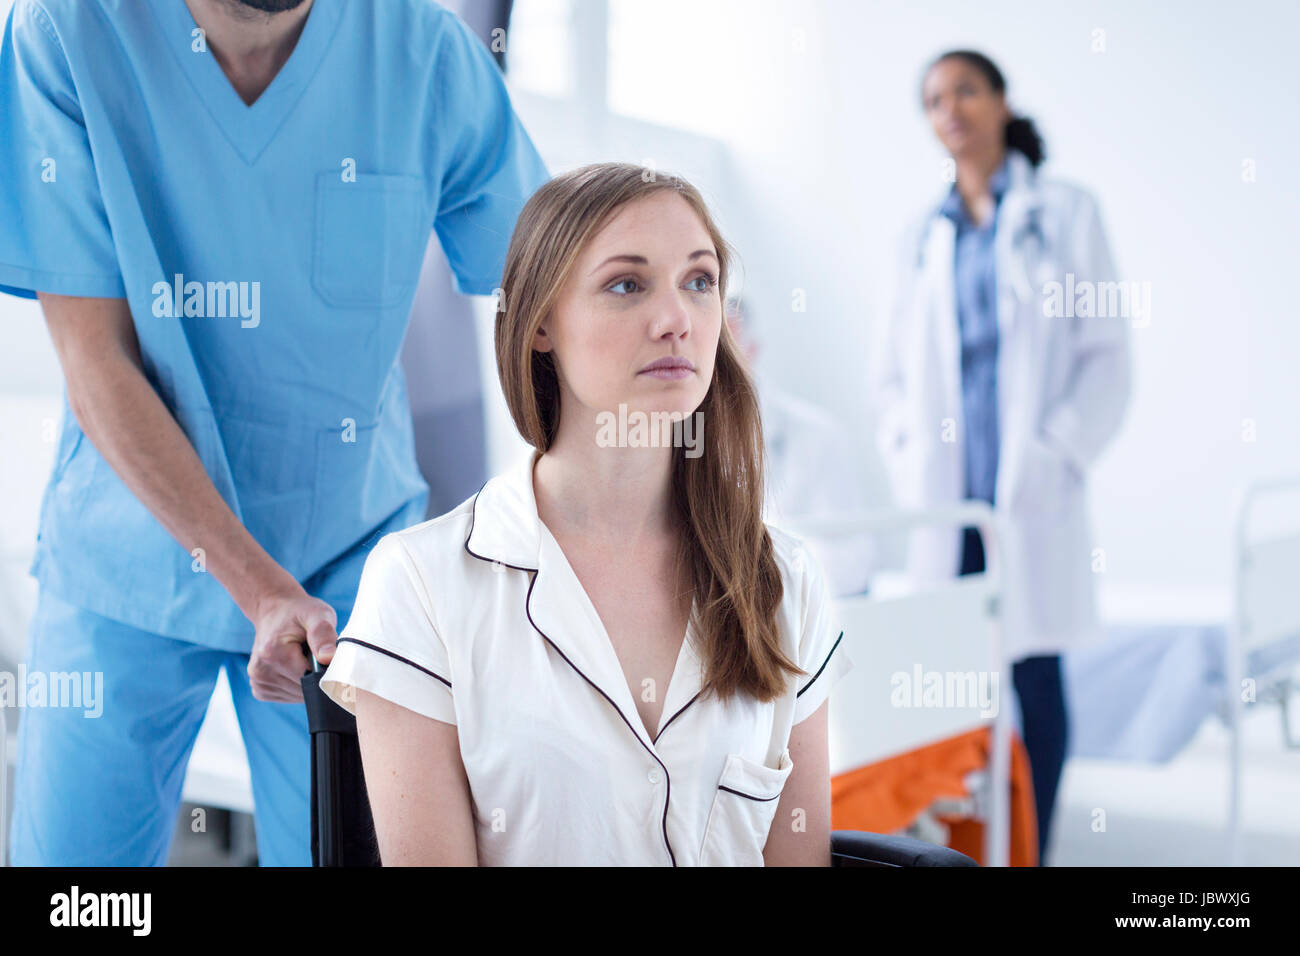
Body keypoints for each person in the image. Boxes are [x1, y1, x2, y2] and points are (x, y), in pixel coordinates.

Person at [0, 0, 548, 865]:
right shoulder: (68, 32)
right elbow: (93, 357)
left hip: (351, 571)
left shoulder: (421, 53)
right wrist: (259, 590)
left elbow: (547, 283)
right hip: (130, 561)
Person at [319, 162, 854, 865]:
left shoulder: (784, 580)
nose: (676, 321)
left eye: (699, 282)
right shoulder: (423, 584)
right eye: (626, 285)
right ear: (540, 324)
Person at [870, 50, 1131, 863]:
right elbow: (891, 379)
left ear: (1000, 101)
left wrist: (1054, 455)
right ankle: (971, 850)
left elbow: (1107, 358)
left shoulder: (1066, 212)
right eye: (934, 99)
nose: (951, 109)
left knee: (1033, 682)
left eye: (966, 91)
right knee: (948, 690)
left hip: (1026, 495)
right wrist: (911, 457)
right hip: (948, 503)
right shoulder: (921, 236)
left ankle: (1035, 849)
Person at [726, 297, 874, 597]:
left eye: (727, 345)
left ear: (752, 350)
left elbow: (849, 567)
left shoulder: (817, 437)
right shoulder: (673, 442)